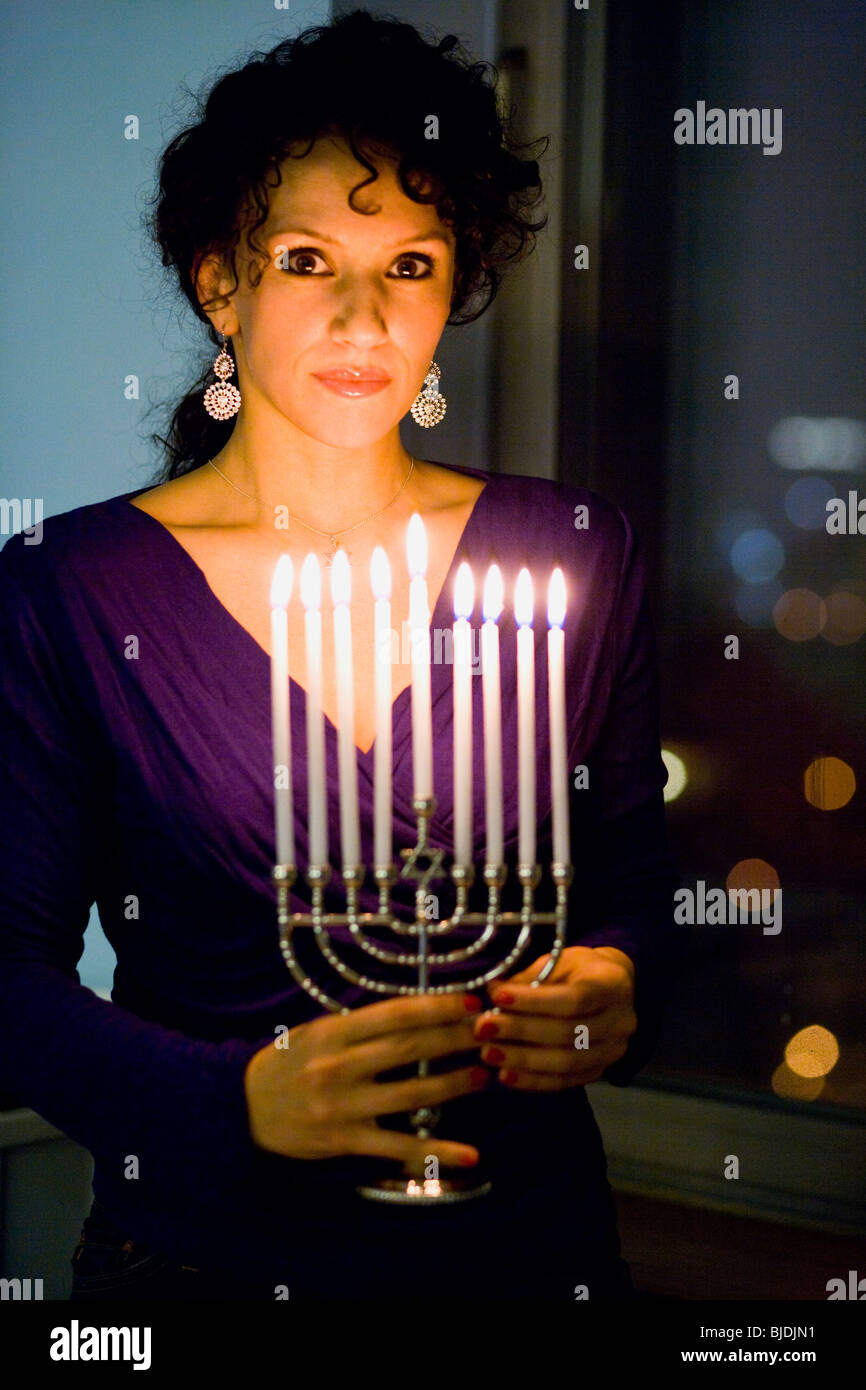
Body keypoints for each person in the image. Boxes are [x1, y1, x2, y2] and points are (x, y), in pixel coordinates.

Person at [0, 9, 682, 1301]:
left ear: (454, 287)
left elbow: (631, 889)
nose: (365, 313)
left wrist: (613, 984)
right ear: (221, 282)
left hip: (523, 1256)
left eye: (411, 265)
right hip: (198, 1260)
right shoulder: (67, 591)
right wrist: (235, 1096)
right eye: (310, 258)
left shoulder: (576, 551)